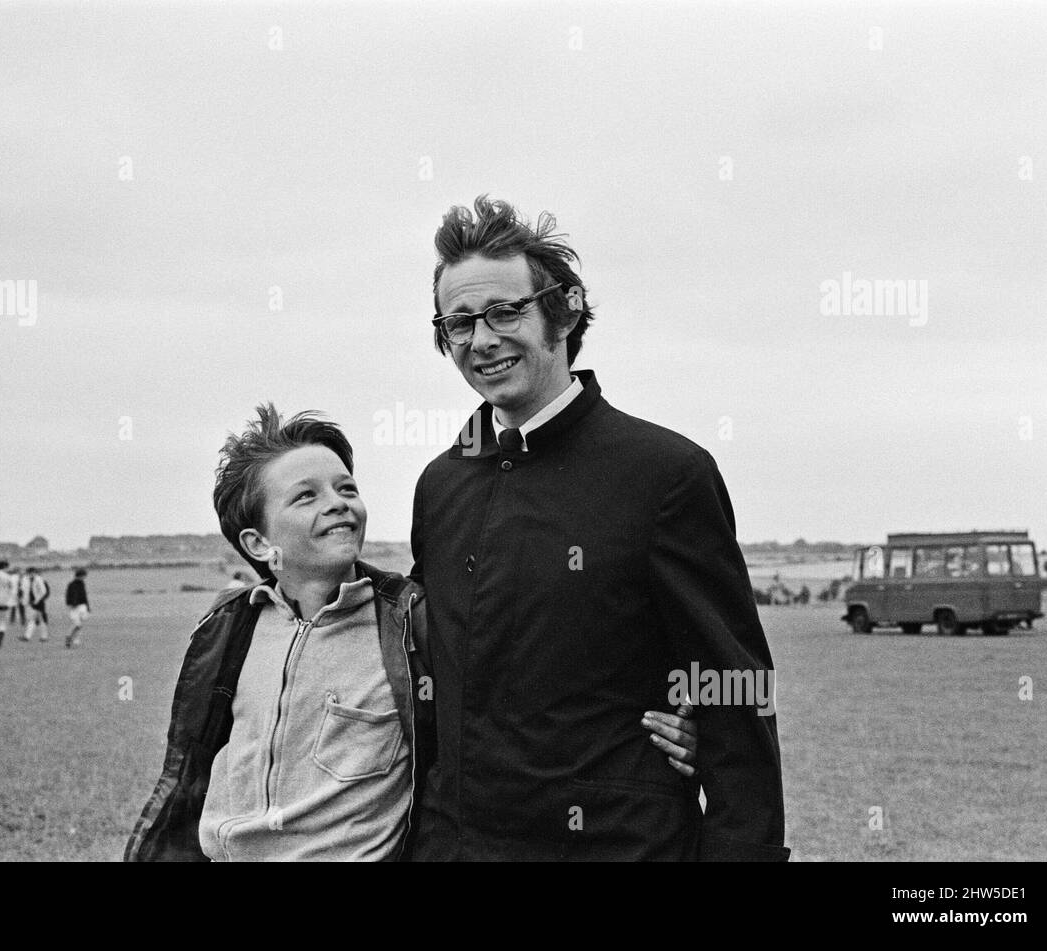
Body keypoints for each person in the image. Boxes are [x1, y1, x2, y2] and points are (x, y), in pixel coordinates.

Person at [124, 405, 703, 861]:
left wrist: (667, 719)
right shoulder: (227, 633)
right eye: (307, 496)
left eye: (346, 488)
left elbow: (538, 676)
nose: (339, 505)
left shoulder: (411, 626)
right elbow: (188, 773)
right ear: (257, 544)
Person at [409, 196, 787, 861]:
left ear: (564, 311)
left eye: (505, 311)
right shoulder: (440, 486)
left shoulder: (666, 473)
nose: (482, 338)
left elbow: (734, 691)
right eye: (460, 321)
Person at [64, 569, 90, 648]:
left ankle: (73, 639)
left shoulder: (82, 583)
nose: (84, 577)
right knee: (77, 624)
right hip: (74, 606)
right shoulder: (71, 584)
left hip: (82, 606)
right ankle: (69, 637)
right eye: (84, 576)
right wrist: (71, 603)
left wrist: (88, 606)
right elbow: (68, 595)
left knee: (80, 623)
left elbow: (84, 595)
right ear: (80, 576)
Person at [23, 567, 50, 642]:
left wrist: (37, 600)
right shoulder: (26, 579)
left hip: (39, 602)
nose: (30, 574)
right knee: (34, 619)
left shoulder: (39, 579)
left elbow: (44, 591)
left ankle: (41, 637)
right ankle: (28, 636)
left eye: (32, 572)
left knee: (40, 619)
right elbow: (25, 590)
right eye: (29, 573)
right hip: (31, 602)